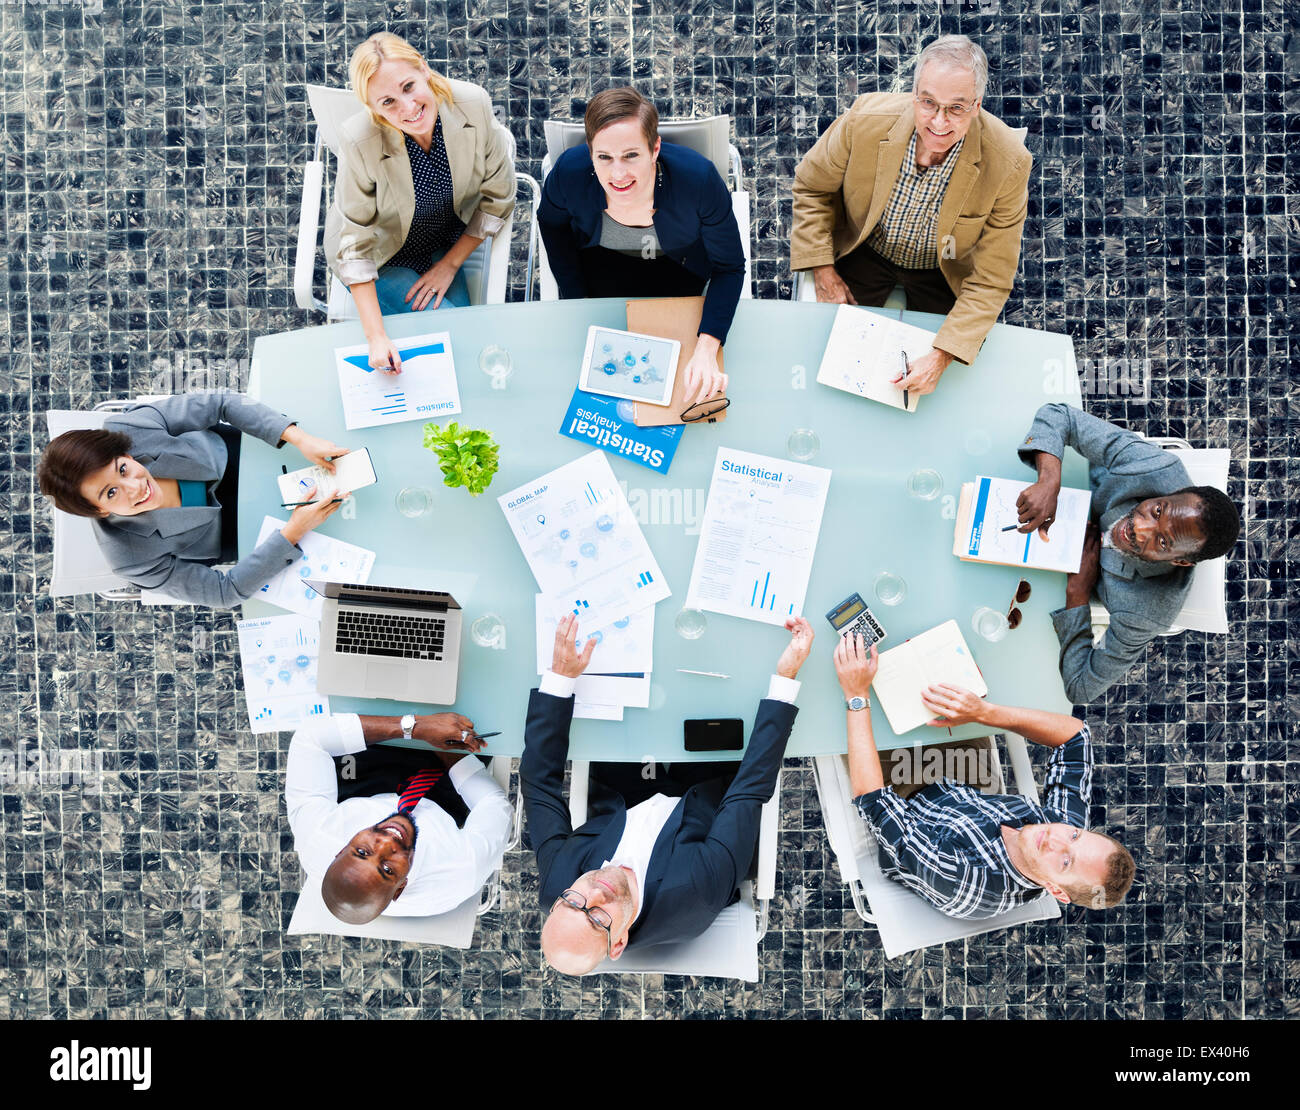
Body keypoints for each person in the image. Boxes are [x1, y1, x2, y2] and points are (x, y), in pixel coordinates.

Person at [522, 613, 813, 974]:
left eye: (574, 902)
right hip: (708, 784)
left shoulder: (559, 885)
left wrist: (559, 679)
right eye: (598, 919)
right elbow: (748, 791)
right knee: (721, 665)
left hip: (629, 779)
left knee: (637, 649)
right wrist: (785, 679)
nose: (594, 893)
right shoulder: (694, 890)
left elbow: (539, 785)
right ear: (619, 943)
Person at [790, 34, 1031, 397]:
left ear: (977, 105)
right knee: (824, 367)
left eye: (956, 108)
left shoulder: (1010, 162)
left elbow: (992, 278)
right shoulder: (864, 120)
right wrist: (822, 269)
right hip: (865, 250)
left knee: (942, 390)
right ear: (914, 92)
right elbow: (811, 187)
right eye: (929, 102)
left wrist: (942, 355)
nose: (938, 121)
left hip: (943, 269)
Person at [833, 633, 1136, 918]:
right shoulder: (1064, 831)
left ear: (1056, 891)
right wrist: (983, 713)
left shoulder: (960, 880)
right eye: (1075, 835)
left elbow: (873, 799)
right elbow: (1075, 737)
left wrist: (857, 696)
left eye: (1065, 861)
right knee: (939, 661)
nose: (1055, 839)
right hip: (964, 781)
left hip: (902, 793)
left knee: (850, 676)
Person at [37, 391, 349, 608]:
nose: (135, 486)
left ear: (124, 452)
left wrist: (298, 438)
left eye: (122, 468)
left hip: (251, 455)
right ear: (99, 510)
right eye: (111, 492)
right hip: (257, 533)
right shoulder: (130, 560)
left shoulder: (128, 428)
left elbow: (221, 403)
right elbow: (223, 592)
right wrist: (293, 532)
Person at [1015, 403, 1241, 703]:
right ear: (1169, 492)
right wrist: (1048, 481)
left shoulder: (1147, 614)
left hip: (1043, 582)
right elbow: (1059, 415)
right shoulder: (1158, 467)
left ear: (1180, 561)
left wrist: (1078, 594)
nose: (1139, 527)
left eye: (1162, 542)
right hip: (1055, 494)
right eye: (1157, 510)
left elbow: (1081, 689)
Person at [537, 86, 745, 409]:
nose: (618, 174)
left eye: (631, 155)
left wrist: (707, 348)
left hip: (679, 277)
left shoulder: (698, 180)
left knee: (680, 392)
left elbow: (729, 267)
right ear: (590, 152)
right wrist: (575, 297)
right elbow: (550, 223)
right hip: (597, 279)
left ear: (655, 148)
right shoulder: (569, 174)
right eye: (604, 157)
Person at [325, 31, 516, 373]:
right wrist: (376, 338)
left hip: (443, 243)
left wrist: (449, 265)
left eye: (408, 87)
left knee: (462, 336)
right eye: (387, 102)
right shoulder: (360, 139)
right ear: (372, 108)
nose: (407, 107)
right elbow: (354, 246)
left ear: (424, 70)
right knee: (458, 337)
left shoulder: (473, 103)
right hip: (381, 258)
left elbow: (498, 198)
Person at [286, 710, 513, 924]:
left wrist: (414, 727)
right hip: (440, 787)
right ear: (401, 887)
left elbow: (310, 739)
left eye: (362, 852)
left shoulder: (316, 835)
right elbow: (493, 803)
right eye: (387, 870)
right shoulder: (461, 868)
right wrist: (445, 747)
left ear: (340, 850)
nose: (386, 842)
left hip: (364, 778)